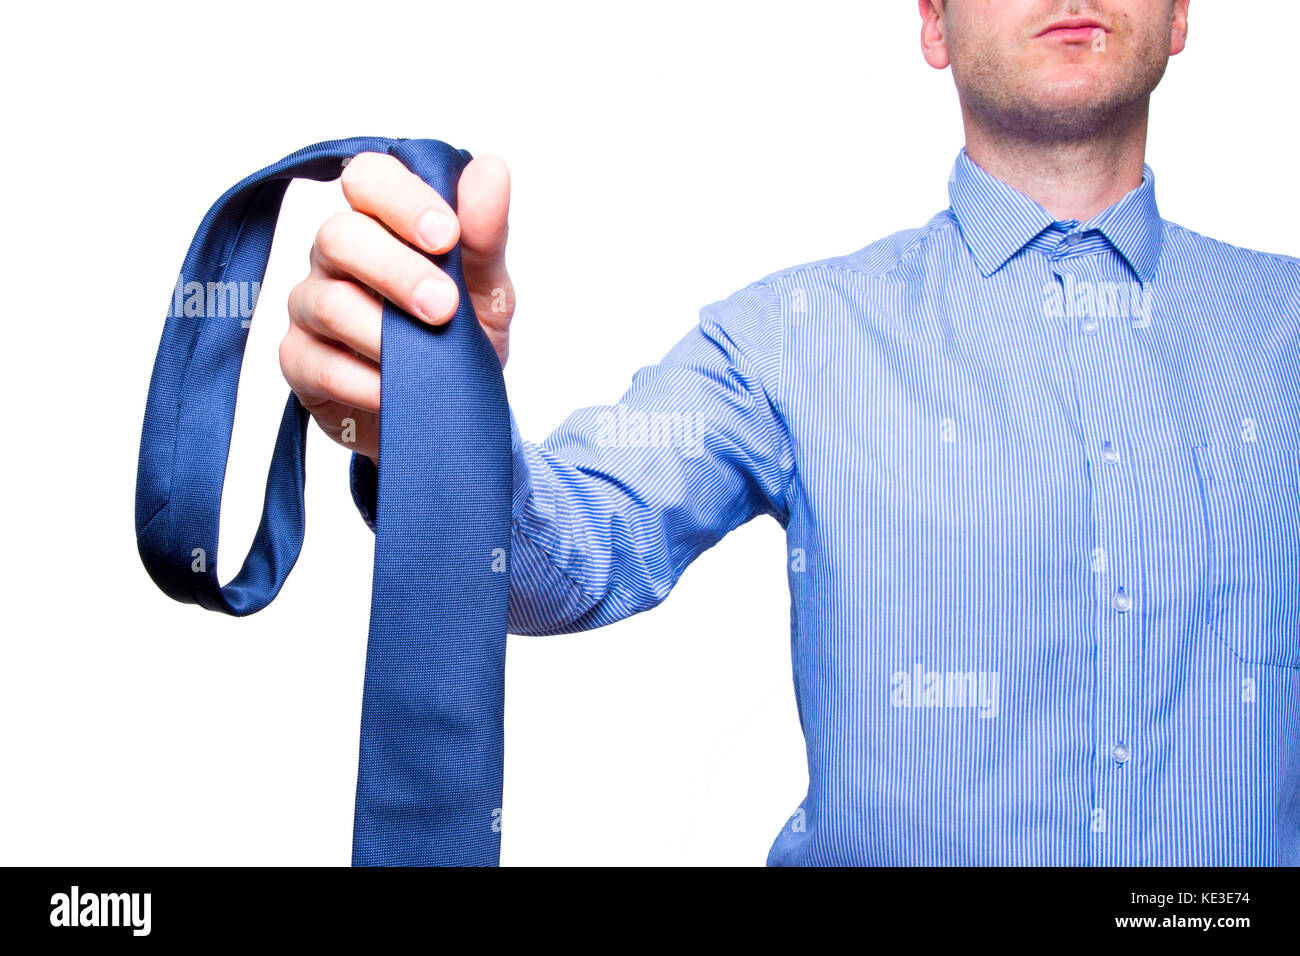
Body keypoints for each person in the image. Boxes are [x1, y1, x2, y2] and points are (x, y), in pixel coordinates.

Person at [278, 0, 1300, 865]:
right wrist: (422, 419)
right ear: (932, 22)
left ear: (1179, 15)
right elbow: (566, 555)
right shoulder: (788, 339)